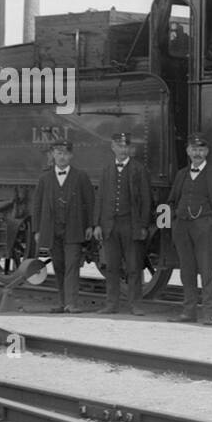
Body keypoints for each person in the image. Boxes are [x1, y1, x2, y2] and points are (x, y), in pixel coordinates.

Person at [166, 132, 212, 324]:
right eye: (194, 149)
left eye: (201, 149)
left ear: (207, 152)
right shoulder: (181, 175)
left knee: (206, 270)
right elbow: (172, 200)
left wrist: (211, 221)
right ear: (188, 151)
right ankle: (189, 311)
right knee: (186, 271)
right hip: (182, 227)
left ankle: (208, 313)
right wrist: (175, 216)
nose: (197, 153)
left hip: (204, 227)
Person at [90, 132, 153, 315]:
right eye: (119, 146)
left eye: (126, 147)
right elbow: (100, 198)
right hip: (110, 225)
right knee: (112, 267)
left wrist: (142, 225)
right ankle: (112, 304)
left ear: (129, 149)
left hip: (131, 224)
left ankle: (135, 305)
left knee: (134, 267)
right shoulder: (107, 169)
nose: (123, 150)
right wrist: (98, 224)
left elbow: (146, 199)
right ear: (113, 147)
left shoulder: (138, 169)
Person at [30, 138, 94, 313]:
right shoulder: (44, 178)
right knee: (58, 266)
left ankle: (71, 303)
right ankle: (62, 302)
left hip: (74, 229)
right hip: (52, 230)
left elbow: (90, 202)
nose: (62, 157)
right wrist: (37, 229)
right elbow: (36, 206)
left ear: (71, 155)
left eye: (65, 153)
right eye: (59, 153)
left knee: (72, 265)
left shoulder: (81, 176)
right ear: (53, 155)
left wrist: (90, 225)